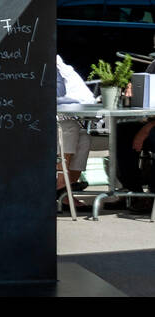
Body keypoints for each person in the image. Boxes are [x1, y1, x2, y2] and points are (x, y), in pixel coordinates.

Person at [55, 54, 97, 208]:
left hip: (54, 115)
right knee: (70, 127)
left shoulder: (60, 67)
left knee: (84, 137)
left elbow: (81, 94)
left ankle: (65, 186)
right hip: (29, 120)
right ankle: (61, 183)